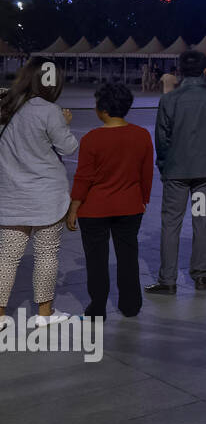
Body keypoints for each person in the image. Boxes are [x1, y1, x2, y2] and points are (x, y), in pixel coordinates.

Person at [146, 50, 206, 295]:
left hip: (177, 172)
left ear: (180, 71)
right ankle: (200, 274)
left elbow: (162, 139)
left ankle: (167, 280)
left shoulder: (169, 100)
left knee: (171, 224)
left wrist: (165, 165)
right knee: (202, 221)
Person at [0, 58, 80, 323]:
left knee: (7, 258)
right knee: (47, 253)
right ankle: (44, 314)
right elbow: (68, 147)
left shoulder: (7, 107)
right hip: (48, 197)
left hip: (12, 195)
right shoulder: (50, 111)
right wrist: (64, 121)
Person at [65, 82, 152, 318]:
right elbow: (146, 173)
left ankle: (98, 307)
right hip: (130, 206)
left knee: (96, 260)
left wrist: (74, 206)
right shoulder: (142, 135)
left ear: (101, 109)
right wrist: (143, 199)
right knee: (128, 257)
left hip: (94, 209)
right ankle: (131, 304)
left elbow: (83, 177)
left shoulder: (92, 139)